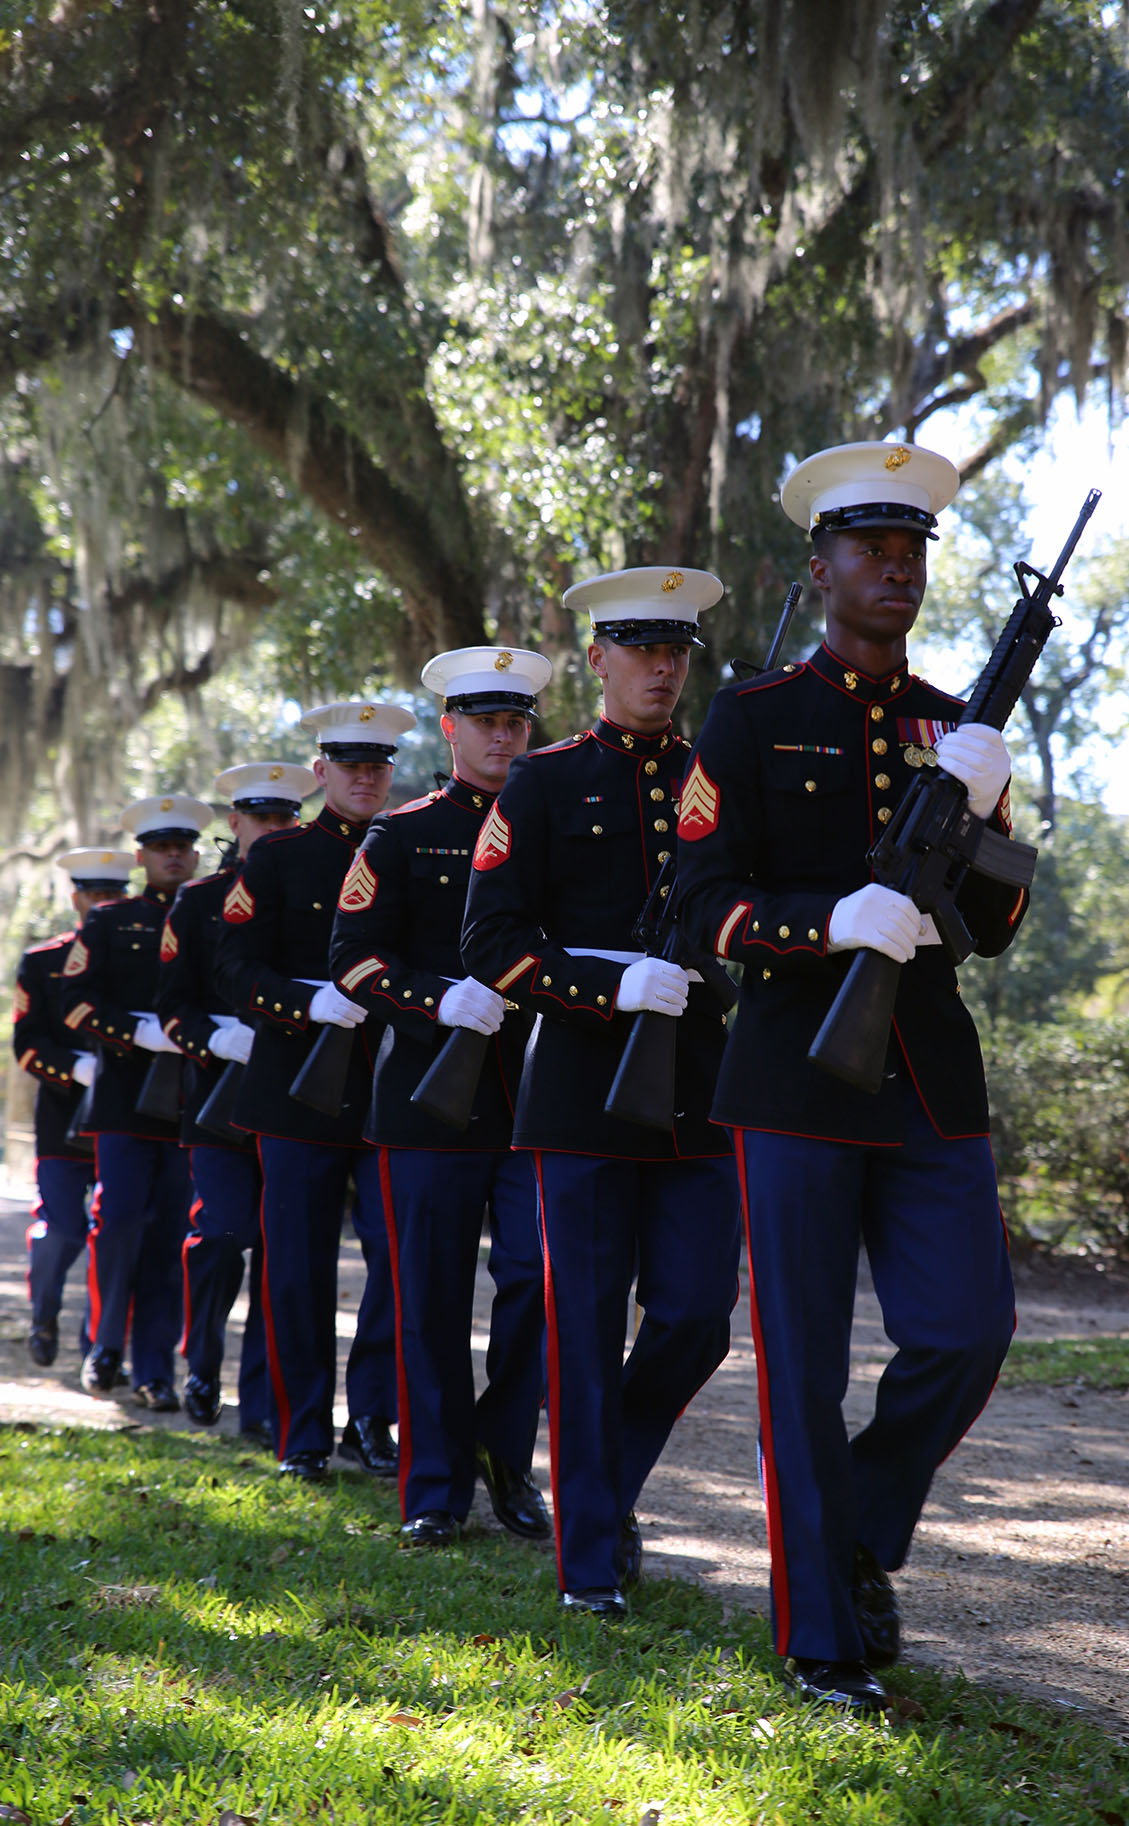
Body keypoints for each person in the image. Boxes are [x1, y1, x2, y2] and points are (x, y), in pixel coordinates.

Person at [675, 441, 1028, 1713]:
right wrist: (828, 923)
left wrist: (989, 829)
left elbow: (994, 925)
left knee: (968, 1328)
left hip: (927, 1077)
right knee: (803, 1363)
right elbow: (694, 904)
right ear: (816, 567)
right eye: (868, 548)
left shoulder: (954, 720)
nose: (893, 567)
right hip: (794, 1077)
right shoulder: (754, 717)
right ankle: (819, 1636)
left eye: (911, 549)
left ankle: (852, 1529)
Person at [461, 570, 741, 1616]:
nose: (662, 668)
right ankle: (588, 1562)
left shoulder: (722, 772)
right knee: (581, 1327)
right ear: (597, 659)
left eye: (676, 651)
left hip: (698, 1090)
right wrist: (606, 981)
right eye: (640, 647)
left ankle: (604, 1486)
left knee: (693, 1319)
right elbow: (488, 939)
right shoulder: (538, 783)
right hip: (580, 1088)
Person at [330, 646, 553, 1548]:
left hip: (539, 1095)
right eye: (487, 722)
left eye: (517, 721)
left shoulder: (558, 818)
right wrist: (432, 997)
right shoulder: (401, 832)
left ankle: (503, 1451)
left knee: (538, 1279)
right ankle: (433, 1485)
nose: (504, 736)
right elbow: (351, 958)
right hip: (426, 1097)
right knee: (426, 1294)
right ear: (451, 728)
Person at [214, 700, 416, 1480]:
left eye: (378, 767)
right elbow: (234, 968)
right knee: (296, 1268)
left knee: (399, 1261)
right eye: (351, 766)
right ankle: (301, 1432)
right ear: (322, 772)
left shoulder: (415, 844)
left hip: (394, 1086)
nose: (366, 779)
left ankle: (373, 1416)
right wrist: (304, 1001)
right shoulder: (276, 858)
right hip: (295, 1089)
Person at [156, 760, 317, 1445]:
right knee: (221, 1238)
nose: (276, 829)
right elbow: (170, 1010)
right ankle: (202, 1360)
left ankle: (262, 1407)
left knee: (283, 1257)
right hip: (219, 1106)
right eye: (264, 818)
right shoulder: (196, 902)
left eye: (287, 818)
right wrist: (217, 1040)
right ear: (236, 824)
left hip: (298, 1100)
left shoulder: (321, 885)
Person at [61, 794, 212, 1408]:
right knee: (117, 1224)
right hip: (125, 1099)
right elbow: (74, 1000)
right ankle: (103, 1346)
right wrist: (139, 1030)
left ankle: (155, 1370)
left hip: (189, 1102)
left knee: (171, 1236)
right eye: (161, 848)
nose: (173, 856)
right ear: (141, 855)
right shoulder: (109, 921)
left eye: (182, 847)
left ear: (196, 855)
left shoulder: (215, 916)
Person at [12, 848, 133, 1366]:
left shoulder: (145, 955)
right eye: (96, 894)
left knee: (118, 1235)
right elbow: (28, 1044)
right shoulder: (44, 962)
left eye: (114, 894)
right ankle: (43, 1312)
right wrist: (76, 1069)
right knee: (62, 1229)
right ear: (76, 897)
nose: (104, 903)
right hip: (63, 1116)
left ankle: (99, 1350)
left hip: (127, 1116)